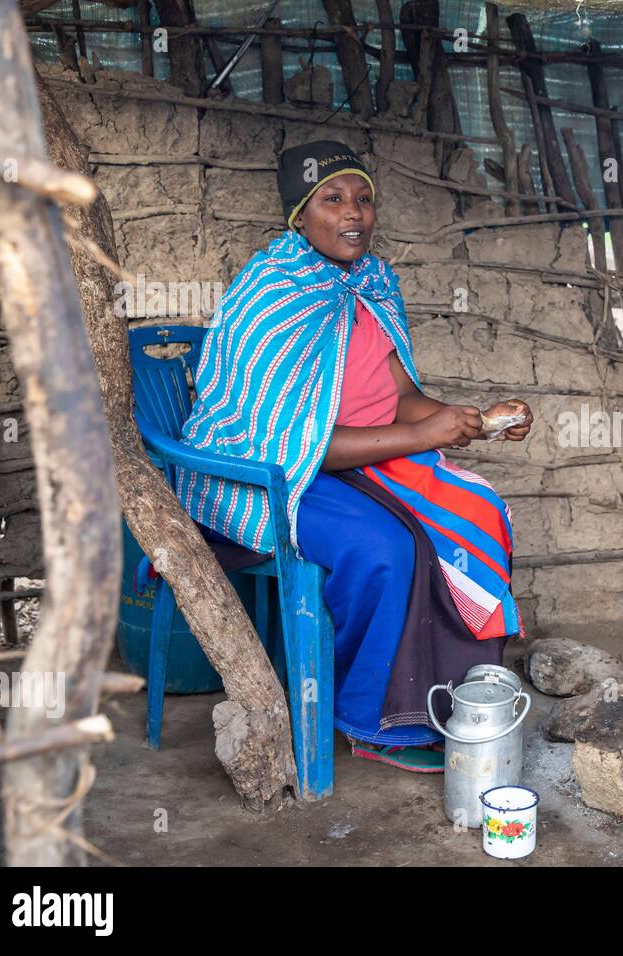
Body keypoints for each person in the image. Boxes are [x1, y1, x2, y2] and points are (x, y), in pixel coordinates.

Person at [175, 140, 531, 772]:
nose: (354, 214)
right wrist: (428, 435)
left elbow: (402, 397)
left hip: (360, 463)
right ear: (299, 215)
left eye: (363, 199)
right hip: (273, 476)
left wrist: (466, 421)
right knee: (385, 550)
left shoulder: (369, 285)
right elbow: (295, 446)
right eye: (332, 199)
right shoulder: (273, 291)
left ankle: (461, 703)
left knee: (480, 514)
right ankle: (375, 720)